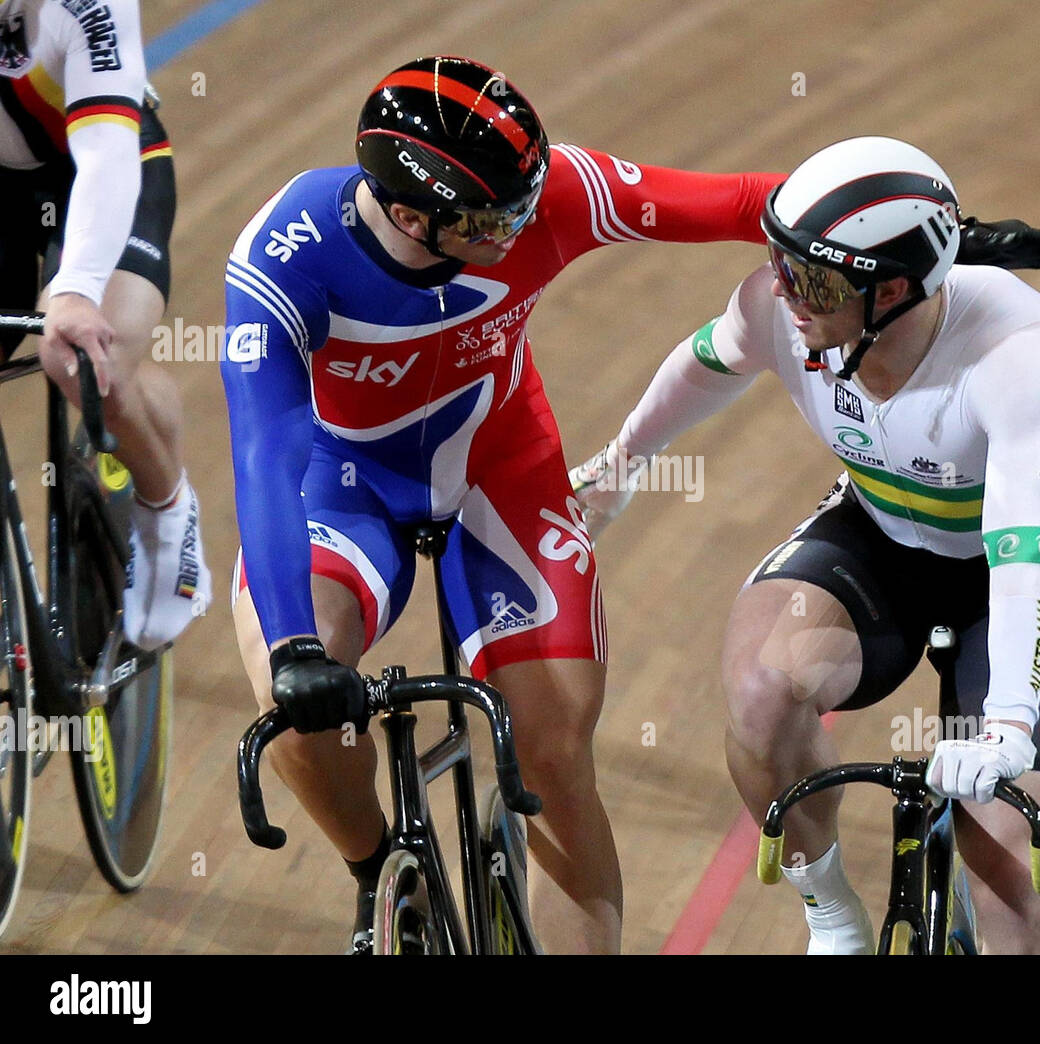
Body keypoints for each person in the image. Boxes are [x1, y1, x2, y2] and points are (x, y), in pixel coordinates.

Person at [219, 55, 789, 954]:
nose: (527, 225)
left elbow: (746, 200)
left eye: (528, 202)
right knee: (295, 713)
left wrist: (899, 227)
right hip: (343, 482)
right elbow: (262, 460)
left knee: (553, 752)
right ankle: (380, 872)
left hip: (501, 468)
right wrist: (294, 649)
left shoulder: (540, 191)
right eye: (497, 222)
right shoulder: (285, 260)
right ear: (413, 216)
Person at [572, 137, 1040, 954]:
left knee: (1012, 897)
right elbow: (707, 362)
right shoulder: (782, 309)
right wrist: (623, 463)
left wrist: (1008, 725)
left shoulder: (1020, 347)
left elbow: (1024, 548)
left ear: (891, 290)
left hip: (1005, 579)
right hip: (880, 535)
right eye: (780, 265)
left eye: (807, 279)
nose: (782, 294)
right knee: (760, 694)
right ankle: (833, 919)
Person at [0, 0, 211, 648]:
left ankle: (167, 510)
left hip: (107, 164)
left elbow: (106, 156)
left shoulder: (84, 5)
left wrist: (74, 291)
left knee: (87, 363)